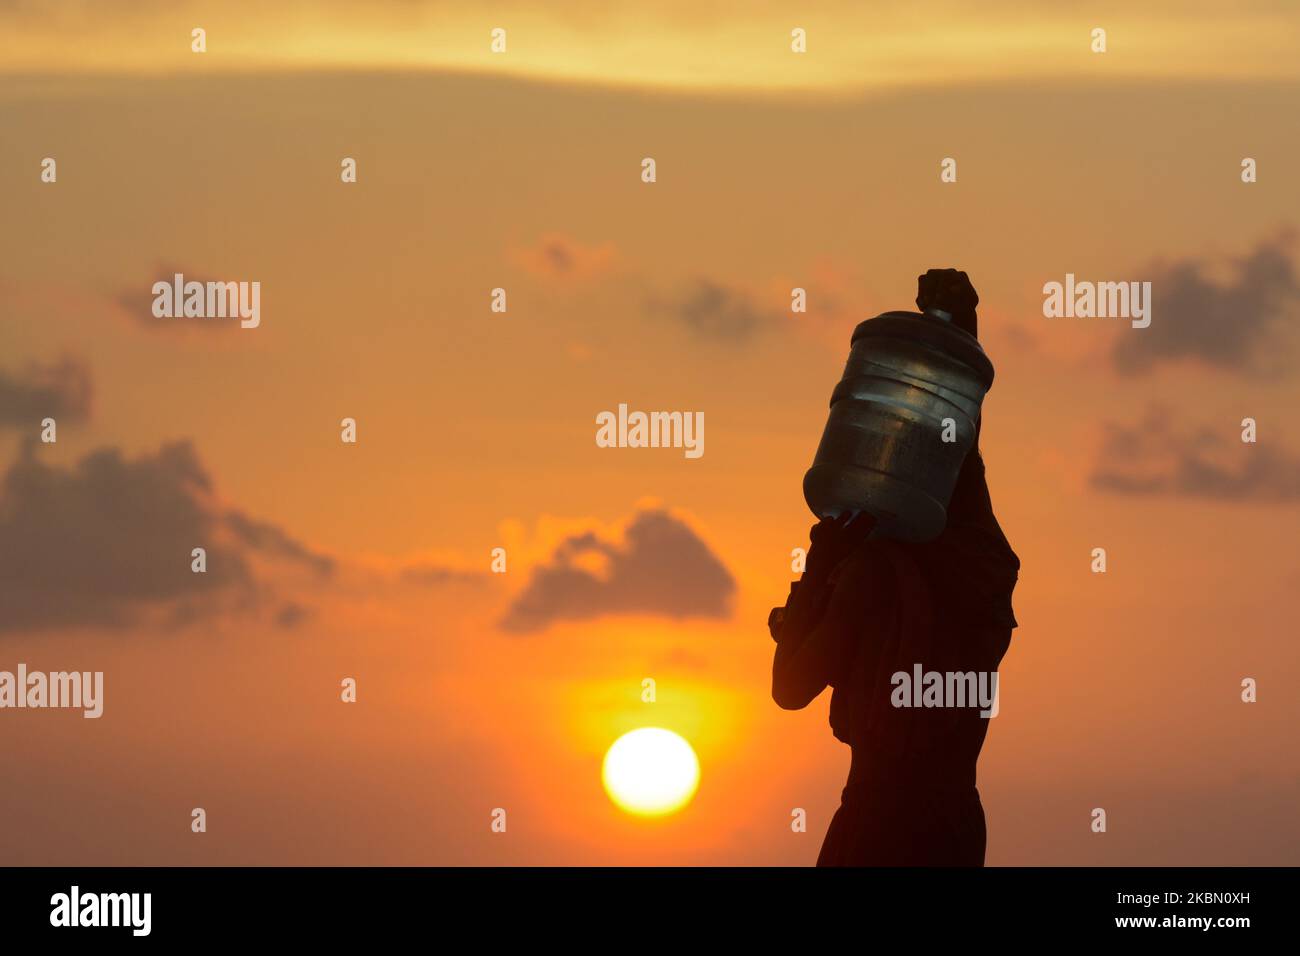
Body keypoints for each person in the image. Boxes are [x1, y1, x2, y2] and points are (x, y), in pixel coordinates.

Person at [770, 269, 1020, 866]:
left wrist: (816, 574)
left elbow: (790, 688)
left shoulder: (870, 578)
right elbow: (957, 442)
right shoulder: (982, 576)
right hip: (955, 830)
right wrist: (960, 337)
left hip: (877, 829)